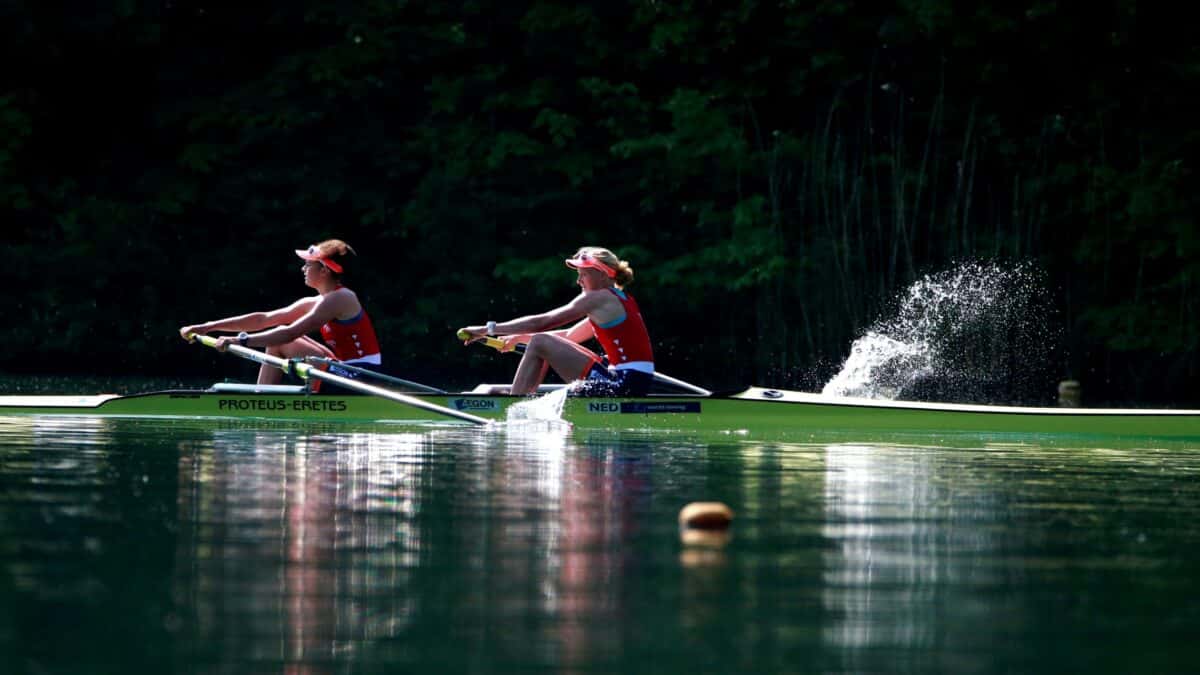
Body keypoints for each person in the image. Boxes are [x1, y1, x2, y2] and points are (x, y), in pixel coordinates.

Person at [179, 239, 383, 388]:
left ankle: (267, 397)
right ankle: (263, 394)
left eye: (308, 264)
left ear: (325, 271)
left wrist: (239, 340)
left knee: (282, 338)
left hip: (362, 377)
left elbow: (290, 334)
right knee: (276, 337)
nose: (303, 268)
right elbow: (263, 319)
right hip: (342, 371)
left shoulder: (342, 298)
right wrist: (207, 327)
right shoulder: (315, 302)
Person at [459, 246, 654, 396]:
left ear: (602, 274)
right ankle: (524, 398)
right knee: (541, 342)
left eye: (583, 274)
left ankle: (513, 406)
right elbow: (569, 336)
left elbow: (543, 323)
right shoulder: (621, 298)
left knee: (540, 341)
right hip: (631, 381)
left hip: (622, 386)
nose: (579, 281)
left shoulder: (597, 298)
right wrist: (520, 338)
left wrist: (488, 329)